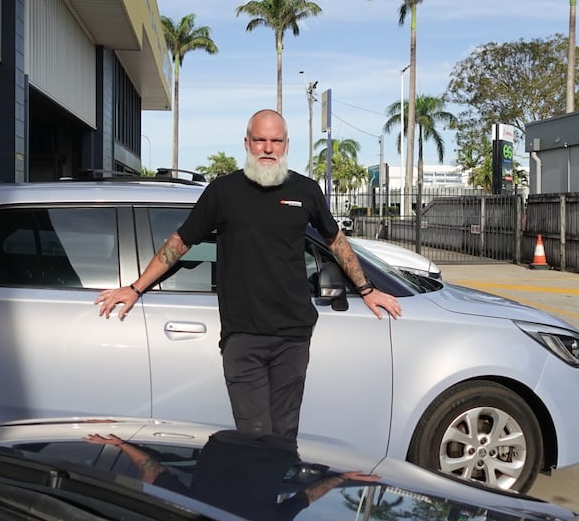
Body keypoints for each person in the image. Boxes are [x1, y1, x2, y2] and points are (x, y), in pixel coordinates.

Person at [96, 109, 401, 439]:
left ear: (286, 145)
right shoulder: (223, 192)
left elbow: (334, 240)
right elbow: (180, 242)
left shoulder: (306, 190)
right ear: (247, 143)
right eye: (260, 140)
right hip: (243, 338)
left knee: (284, 434)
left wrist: (366, 289)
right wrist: (135, 288)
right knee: (254, 436)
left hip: (293, 337)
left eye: (276, 141)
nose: (268, 148)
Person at [87, 431, 379, 521]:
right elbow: (153, 471)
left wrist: (340, 478)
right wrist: (122, 444)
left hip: (278, 449)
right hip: (228, 442)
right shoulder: (193, 518)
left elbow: (305, 497)